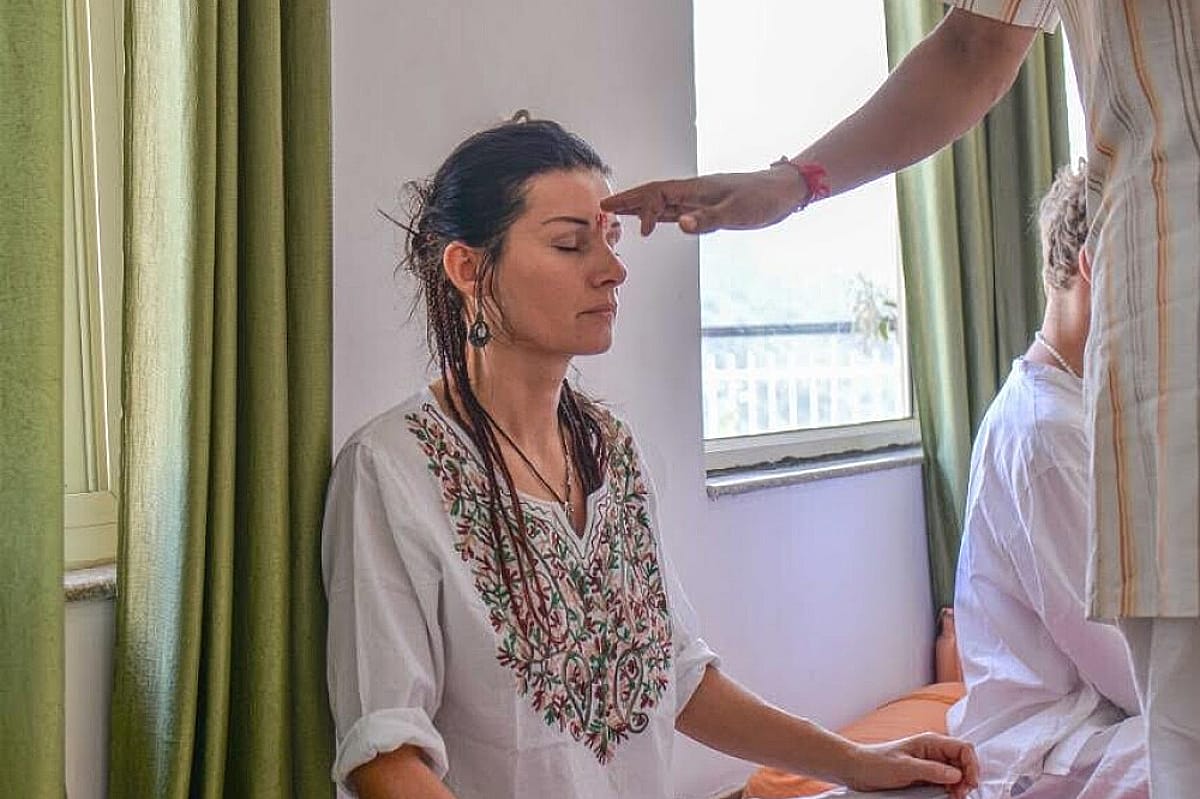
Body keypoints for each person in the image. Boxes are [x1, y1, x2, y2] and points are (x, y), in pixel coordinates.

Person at [602, 5, 1200, 795]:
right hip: (1055, 729)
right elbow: (973, 45)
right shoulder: (1049, 430)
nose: (608, 274)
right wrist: (794, 181)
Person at [321, 119, 978, 799]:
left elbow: (677, 675)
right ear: (468, 270)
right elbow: (385, 752)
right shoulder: (391, 469)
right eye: (570, 244)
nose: (613, 269)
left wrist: (855, 763)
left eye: (608, 240)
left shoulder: (611, 448)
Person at [950, 163, 1146, 798]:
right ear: (1094, 266)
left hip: (1096, 718)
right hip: (1049, 742)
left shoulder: (1074, 406)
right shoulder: (1047, 435)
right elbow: (1125, 665)